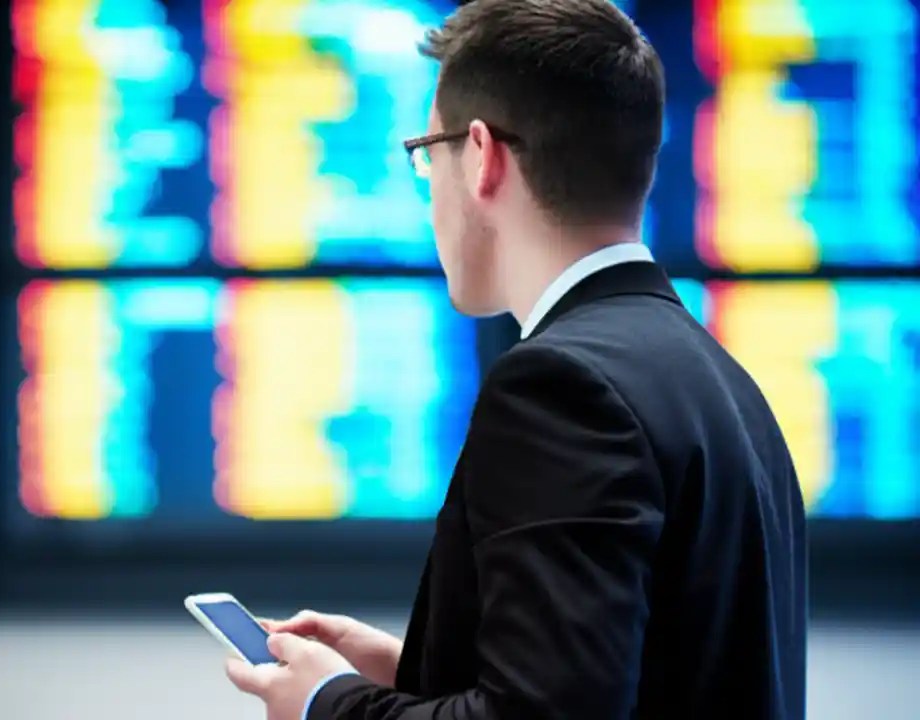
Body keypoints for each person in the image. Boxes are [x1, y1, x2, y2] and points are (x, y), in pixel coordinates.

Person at [224, 0, 808, 718]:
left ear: (480, 155)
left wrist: (327, 703)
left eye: (424, 156)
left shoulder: (560, 388)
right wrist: (415, 668)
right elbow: (634, 675)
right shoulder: (722, 381)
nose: (428, 189)